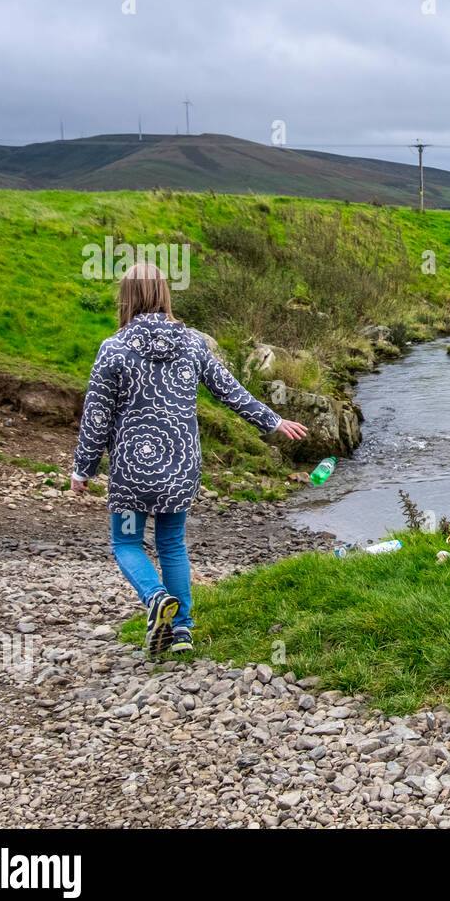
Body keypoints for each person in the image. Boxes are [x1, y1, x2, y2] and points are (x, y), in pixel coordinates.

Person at [71, 263, 307, 654]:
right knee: (172, 543)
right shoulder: (193, 343)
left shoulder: (113, 349)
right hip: (180, 468)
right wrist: (274, 420)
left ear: (126, 298)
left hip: (132, 471)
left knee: (127, 542)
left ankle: (156, 599)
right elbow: (229, 392)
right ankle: (181, 631)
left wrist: (84, 468)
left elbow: (97, 415)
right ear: (164, 294)